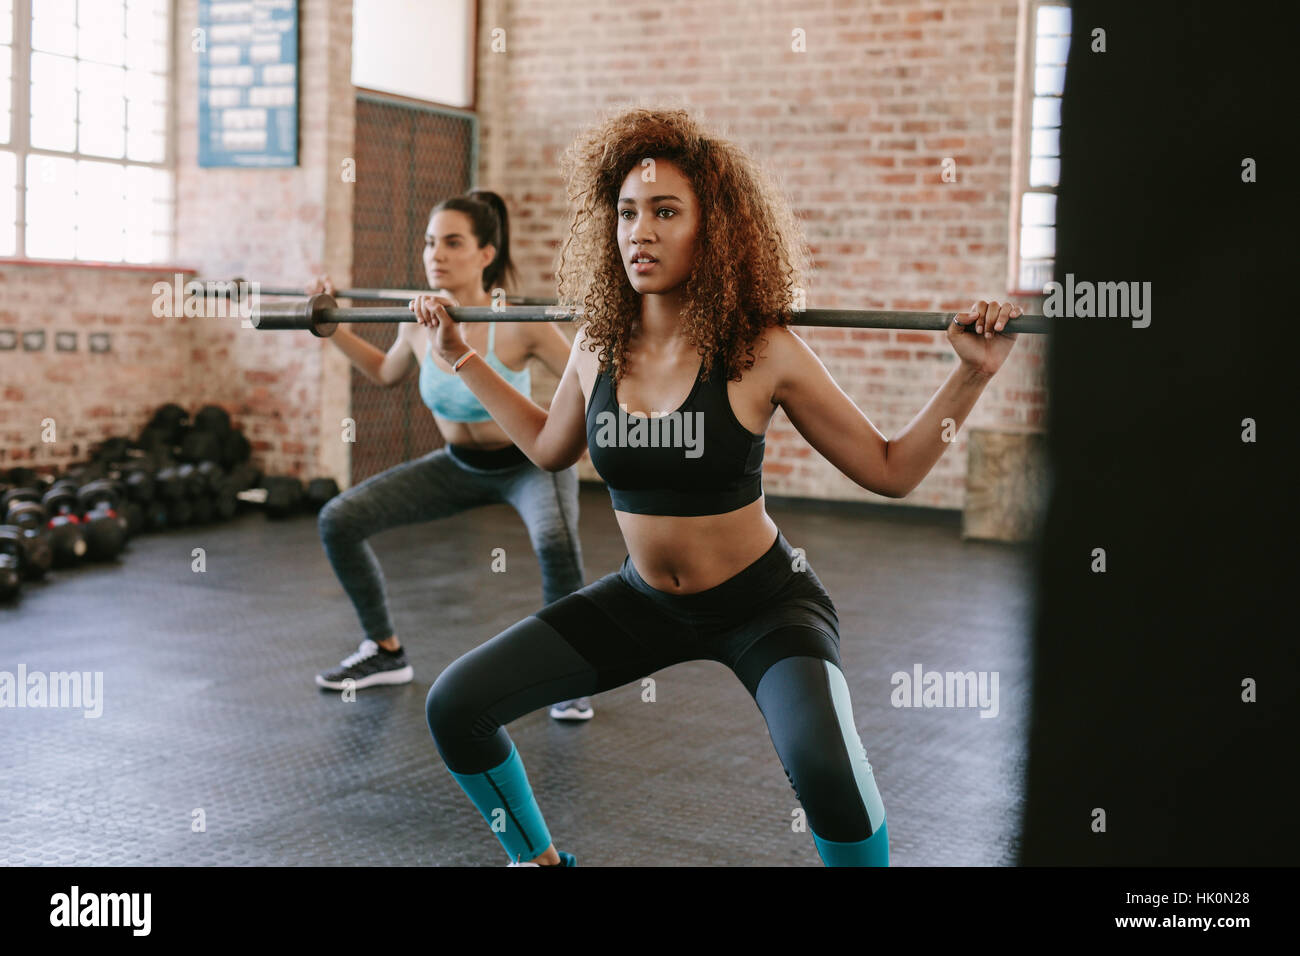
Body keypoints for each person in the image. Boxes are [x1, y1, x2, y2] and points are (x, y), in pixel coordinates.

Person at [414, 109, 1022, 866]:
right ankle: (536, 862)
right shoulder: (598, 347)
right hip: (646, 602)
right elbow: (547, 446)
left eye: (666, 212)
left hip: (765, 605)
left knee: (830, 772)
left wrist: (971, 374)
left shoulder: (762, 349)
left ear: (714, 228)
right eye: (628, 213)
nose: (640, 231)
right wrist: (461, 356)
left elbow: (893, 469)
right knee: (456, 705)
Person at [311, 189, 595, 722]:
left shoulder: (521, 322)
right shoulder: (418, 320)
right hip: (459, 467)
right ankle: (384, 652)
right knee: (339, 519)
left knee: (555, 542)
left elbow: (589, 379)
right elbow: (385, 373)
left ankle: (569, 674)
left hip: (528, 466)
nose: (434, 254)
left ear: (486, 254)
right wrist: (333, 330)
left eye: (452, 243)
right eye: (429, 242)